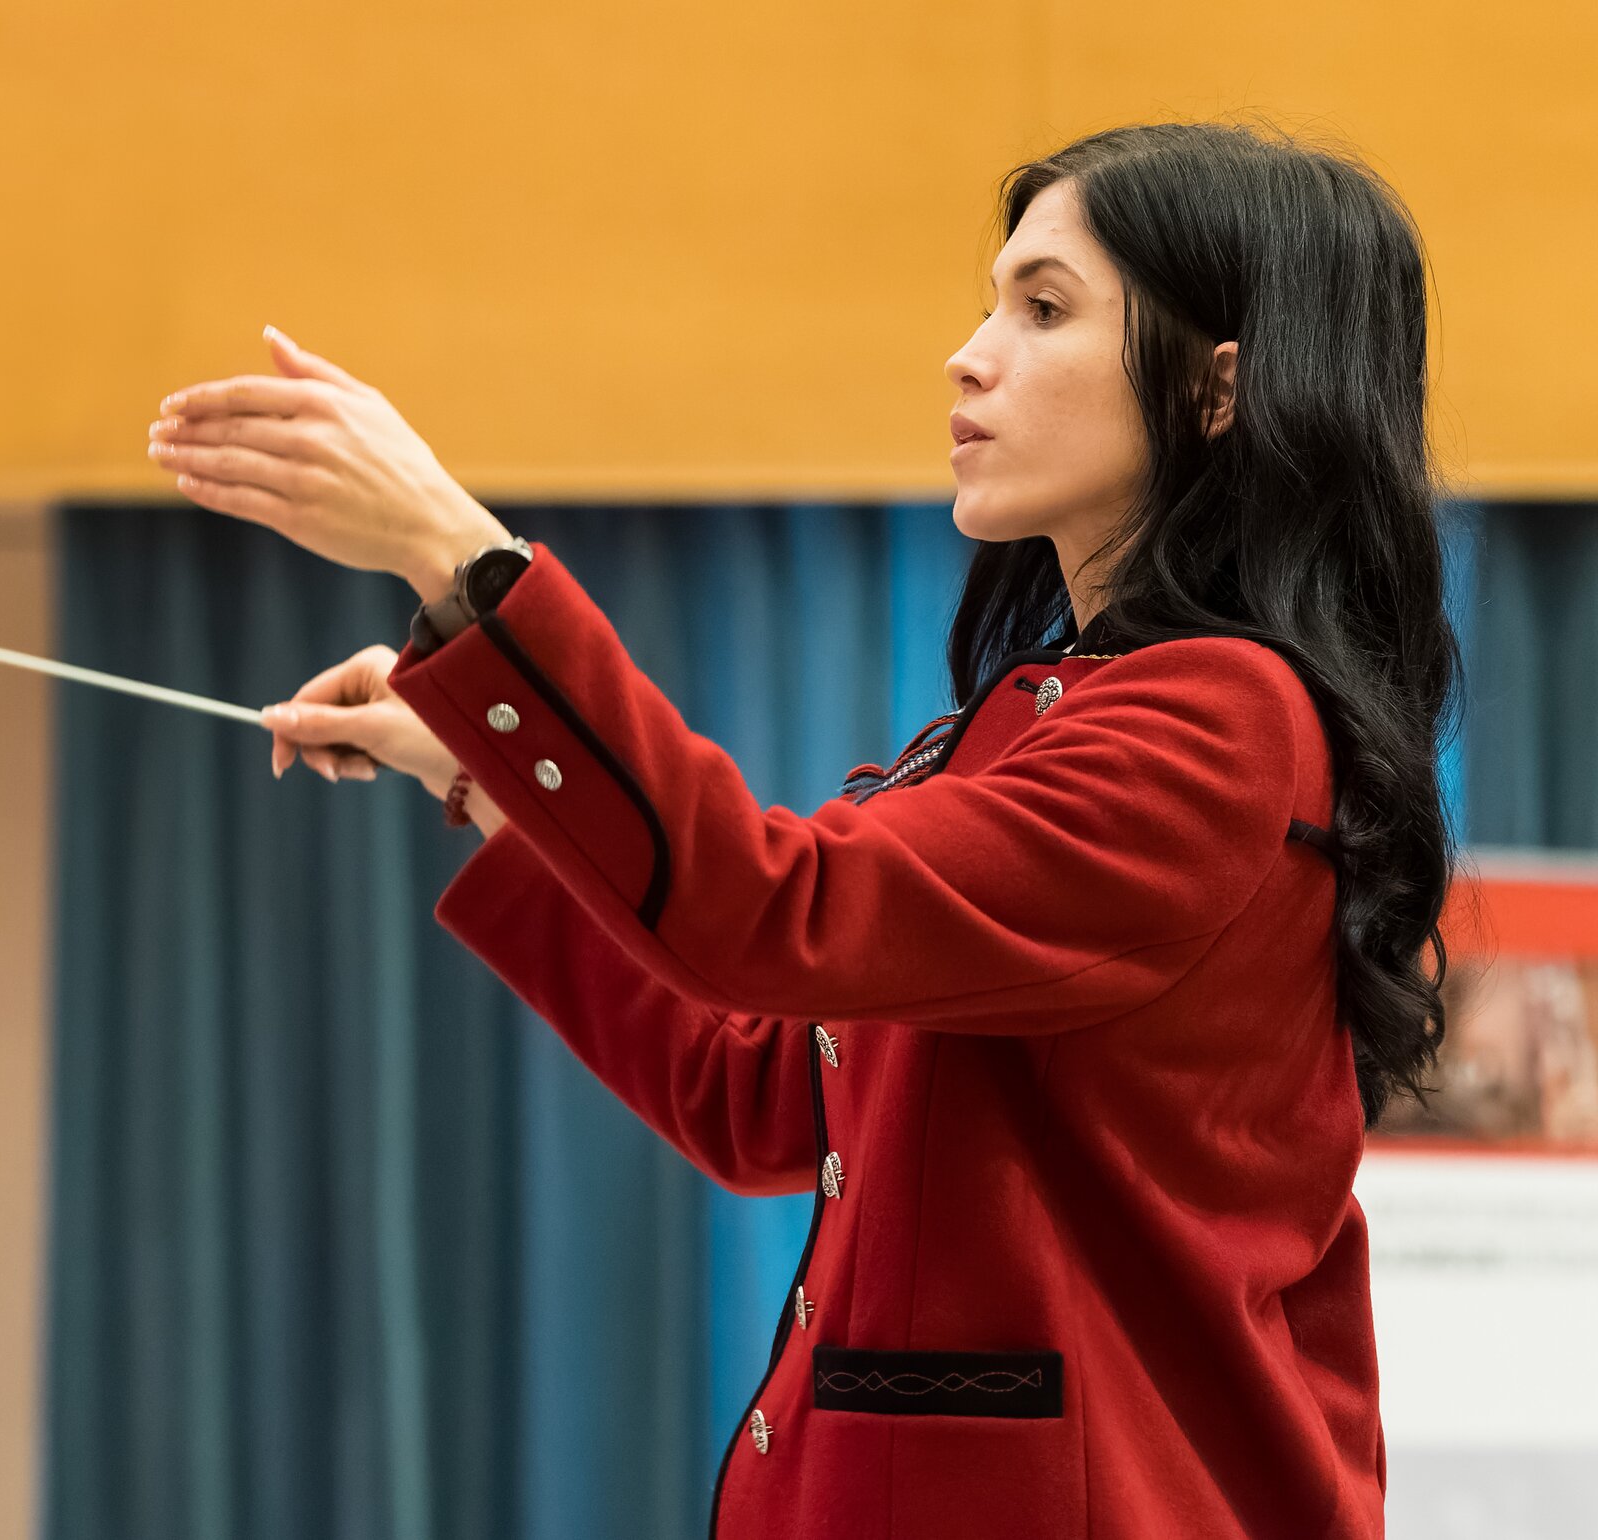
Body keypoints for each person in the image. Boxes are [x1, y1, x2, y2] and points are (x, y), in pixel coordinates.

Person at [144, 118, 1461, 1540]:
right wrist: (477, 776)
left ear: (1217, 392)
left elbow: (767, 910)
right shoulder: (1045, 721)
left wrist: (457, 555)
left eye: (1044, 308)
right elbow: (756, 1088)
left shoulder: (1217, 723)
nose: (970, 354)